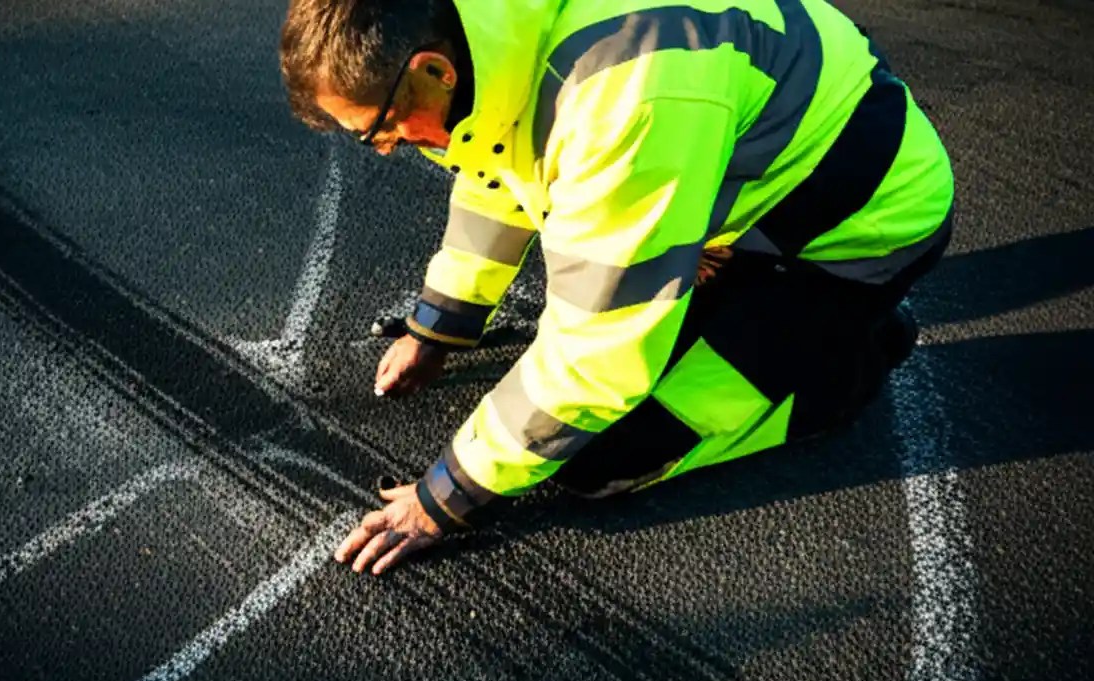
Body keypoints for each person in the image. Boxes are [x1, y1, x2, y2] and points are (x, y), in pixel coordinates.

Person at [278, 0, 954, 575]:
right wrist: (442, 323)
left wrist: (444, 497)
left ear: (433, 70)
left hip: (852, 236)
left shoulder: (622, 98)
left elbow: (598, 360)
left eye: (379, 129)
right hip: (765, 188)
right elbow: (498, 164)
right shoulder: (492, 30)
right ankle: (783, 314)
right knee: (561, 394)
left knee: (596, 455)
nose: (390, 147)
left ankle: (844, 363)